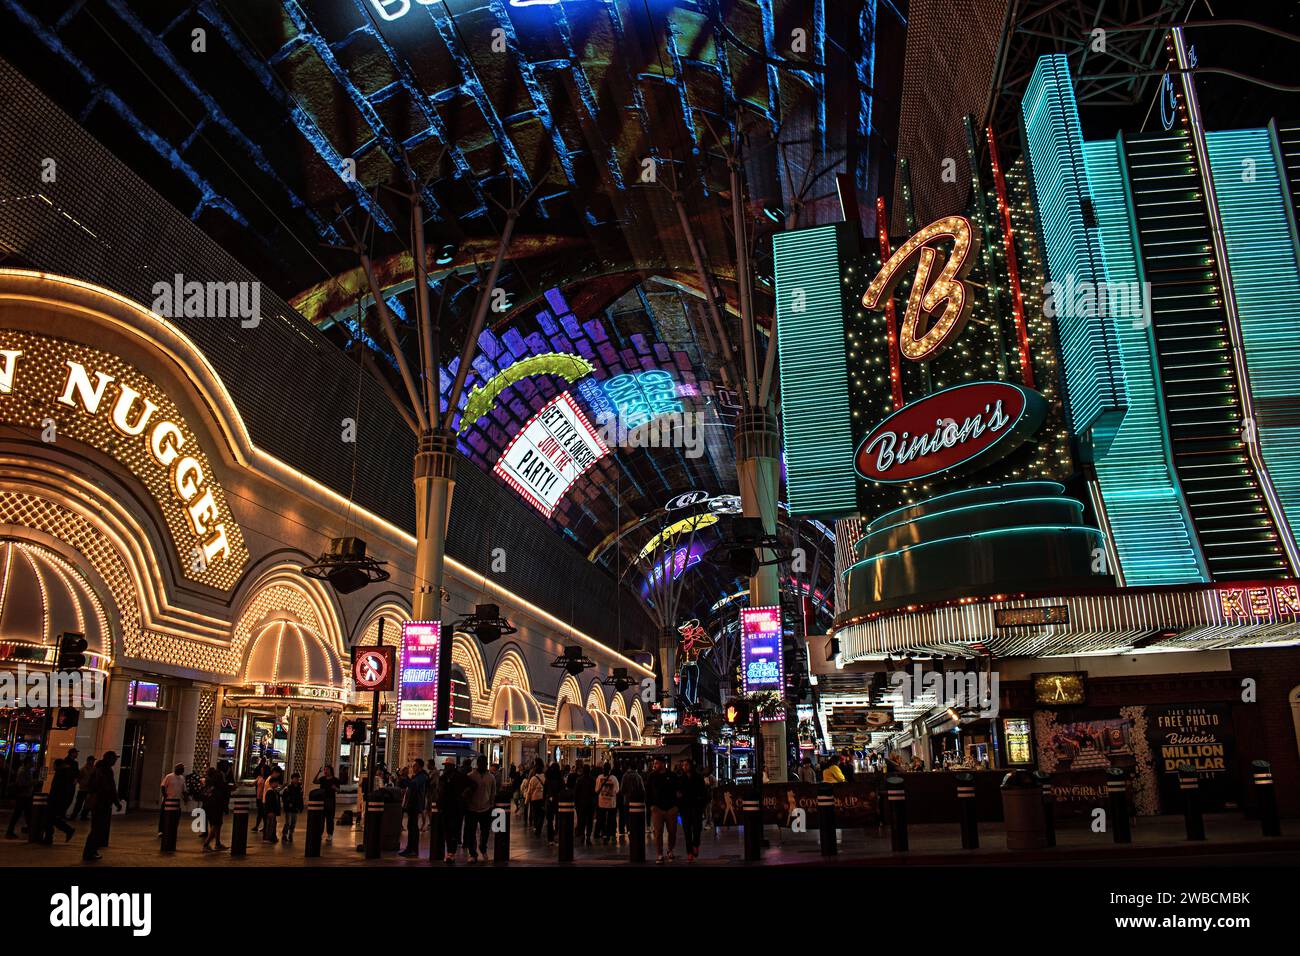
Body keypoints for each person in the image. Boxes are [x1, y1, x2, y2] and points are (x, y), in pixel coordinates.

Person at [81, 751, 121, 862]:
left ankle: (91, 851)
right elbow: (110, 788)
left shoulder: (97, 769)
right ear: (109, 759)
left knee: (97, 828)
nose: (115, 761)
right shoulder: (105, 770)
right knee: (98, 828)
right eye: (114, 759)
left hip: (98, 802)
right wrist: (116, 802)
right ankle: (90, 852)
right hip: (102, 802)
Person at [462, 755, 497, 862]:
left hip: (486, 808)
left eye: (484, 763)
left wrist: (491, 805)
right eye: (480, 763)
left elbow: (493, 792)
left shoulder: (491, 777)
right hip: (471, 809)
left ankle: (483, 848)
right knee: (471, 831)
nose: (482, 765)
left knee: (485, 831)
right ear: (477, 764)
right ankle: (473, 853)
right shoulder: (470, 776)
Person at [645, 756, 680, 864]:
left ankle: (670, 849)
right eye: (654, 763)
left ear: (663, 764)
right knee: (658, 832)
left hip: (671, 808)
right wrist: (651, 806)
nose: (655, 765)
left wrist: (676, 806)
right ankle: (659, 853)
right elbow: (648, 792)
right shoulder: (652, 776)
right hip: (657, 808)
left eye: (657, 763)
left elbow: (678, 790)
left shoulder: (672, 776)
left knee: (672, 831)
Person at [436, 756, 467, 863]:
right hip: (446, 808)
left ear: (452, 766)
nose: (446, 767)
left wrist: (463, 796)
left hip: (454, 808)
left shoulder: (458, 776)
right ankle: (450, 852)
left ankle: (451, 852)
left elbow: (472, 785)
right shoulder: (444, 777)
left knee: (453, 831)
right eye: (446, 766)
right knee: (448, 831)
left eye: (448, 766)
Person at [45, 749, 79, 842]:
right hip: (62, 799)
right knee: (51, 818)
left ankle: (66, 831)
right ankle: (65, 831)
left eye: (54, 765)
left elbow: (57, 788)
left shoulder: (61, 773)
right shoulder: (68, 771)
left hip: (56, 799)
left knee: (50, 818)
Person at [678, 758, 707, 862]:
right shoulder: (681, 778)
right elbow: (678, 792)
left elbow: (703, 792)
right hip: (685, 808)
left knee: (697, 828)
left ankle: (696, 844)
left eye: (686, 765)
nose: (684, 767)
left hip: (696, 807)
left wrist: (701, 804)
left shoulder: (698, 778)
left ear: (691, 765)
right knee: (686, 831)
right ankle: (689, 852)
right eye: (683, 765)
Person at [400, 758, 429, 857]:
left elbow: (413, 785)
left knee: (413, 827)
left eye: (415, 765)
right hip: (411, 804)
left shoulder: (422, 777)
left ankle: (413, 850)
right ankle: (409, 848)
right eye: (413, 766)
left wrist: (405, 778)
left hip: (415, 804)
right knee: (410, 826)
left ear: (420, 767)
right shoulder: (416, 776)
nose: (413, 767)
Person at [4, 757, 33, 838]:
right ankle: (9, 831)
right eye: (32, 762)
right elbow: (21, 784)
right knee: (17, 814)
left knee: (27, 814)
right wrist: (32, 783)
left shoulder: (27, 770)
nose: (33, 764)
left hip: (26, 795)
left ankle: (30, 829)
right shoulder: (22, 771)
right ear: (28, 763)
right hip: (22, 796)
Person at [202, 766, 230, 851]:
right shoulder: (220, 786)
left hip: (208, 806)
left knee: (216, 824)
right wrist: (225, 808)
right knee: (216, 825)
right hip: (216, 807)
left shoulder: (208, 784)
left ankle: (217, 843)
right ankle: (206, 844)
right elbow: (223, 797)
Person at [313, 765, 341, 842]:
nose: (325, 771)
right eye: (324, 770)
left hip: (330, 800)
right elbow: (314, 781)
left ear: (331, 771)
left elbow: (339, 790)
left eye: (327, 770)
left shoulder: (335, 780)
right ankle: (320, 833)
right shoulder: (322, 779)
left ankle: (330, 834)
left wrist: (335, 788)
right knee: (321, 818)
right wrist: (318, 772)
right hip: (322, 800)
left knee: (330, 819)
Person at [157, 762, 186, 837]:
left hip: (177, 801)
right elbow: (163, 786)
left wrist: (185, 798)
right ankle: (161, 830)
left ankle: (172, 829)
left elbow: (184, 789)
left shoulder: (182, 778)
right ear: (177, 769)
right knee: (164, 815)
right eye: (182, 769)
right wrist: (165, 795)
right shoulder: (169, 776)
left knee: (176, 816)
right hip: (168, 800)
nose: (183, 771)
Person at [594, 763, 619, 843]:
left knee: (601, 818)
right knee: (611, 819)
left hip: (601, 802)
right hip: (611, 803)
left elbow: (596, 790)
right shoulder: (614, 778)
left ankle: (603, 833)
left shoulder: (599, 778)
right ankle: (611, 833)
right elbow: (617, 790)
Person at [573, 763, 596, 846]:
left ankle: (582, 834)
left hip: (581, 803)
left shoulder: (579, 780)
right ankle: (588, 836)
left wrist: (576, 803)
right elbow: (594, 792)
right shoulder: (593, 780)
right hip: (590, 803)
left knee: (581, 820)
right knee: (590, 821)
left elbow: (576, 792)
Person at [620, 763, 645, 840]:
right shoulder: (638, 777)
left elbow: (622, 789)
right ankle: (634, 830)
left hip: (627, 800)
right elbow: (642, 789)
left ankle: (628, 830)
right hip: (636, 801)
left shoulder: (625, 776)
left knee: (627, 816)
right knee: (635, 817)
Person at [543, 762, 563, 845]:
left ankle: (550, 839)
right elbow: (562, 790)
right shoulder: (560, 779)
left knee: (550, 821)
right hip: (558, 801)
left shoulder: (548, 779)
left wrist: (544, 802)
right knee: (559, 820)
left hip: (549, 801)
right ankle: (558, 835)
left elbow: (544, 792)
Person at [281, 772, 304, 843]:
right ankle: (284, 834)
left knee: (293, 822)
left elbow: (300, 798)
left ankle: (290, 834)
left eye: (298, 778)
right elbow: (284, 797)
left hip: (295, 807)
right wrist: (288, 804)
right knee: (288, 822)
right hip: (289, 808)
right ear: (292, 779)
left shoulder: (299, 788)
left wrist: (301, 807)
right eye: (295, 778)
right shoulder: (288, 788)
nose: (297, 780)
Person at [524, 762, 546, 836]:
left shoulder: (533, 779)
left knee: (536, 814)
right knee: (542, 814)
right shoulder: (545, 777)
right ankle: (539, 827)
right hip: (543, 798)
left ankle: (536, 827)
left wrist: (526, 800)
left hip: (535, 799)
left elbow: (529, 791)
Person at [71, 755, 95, 820]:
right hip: (83, 789)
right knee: (79, 803)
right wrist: (82, 783)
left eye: (93, 761)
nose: (93, 762)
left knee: (86, 804)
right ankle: (75, 815)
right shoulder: (84, 769)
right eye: (92, 761)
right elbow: (79, 778)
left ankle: (83, 815)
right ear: (88, 761)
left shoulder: (93, 769)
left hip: (89, 789)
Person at [262, 774, 282, 843]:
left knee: (272, 824)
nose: (277, 784)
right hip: (270, 811)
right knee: (269, 825)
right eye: (276, 783)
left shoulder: (274, 791)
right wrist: (270, 811)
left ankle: (271, 837)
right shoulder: (270, 792)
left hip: (273, 811)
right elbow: (270, 803)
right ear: (271, 783)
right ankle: (268, 838)